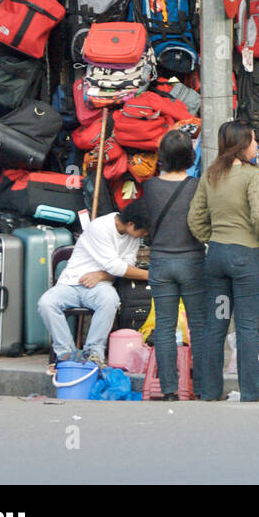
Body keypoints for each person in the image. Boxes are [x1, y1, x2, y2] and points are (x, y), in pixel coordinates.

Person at [187, 119, 259, 402]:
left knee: (217, 323)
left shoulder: (210, 175)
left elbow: (194, 219)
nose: (256, 145)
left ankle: (210, 391)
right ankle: (250, 391)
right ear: (241, 144)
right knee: (248, 326)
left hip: (217, 259)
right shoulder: (253, 176)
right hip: (246, 259)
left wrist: (212, 238)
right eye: (253, 140)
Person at [38, 202, 151, 366]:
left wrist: (100, 275)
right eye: (144, 230)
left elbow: (127, 265)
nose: (145, 234)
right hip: (72, 282)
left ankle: (93, 353)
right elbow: (117, 267)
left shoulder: (132, 236)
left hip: (100, 285)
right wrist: (149, 275)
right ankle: (67, 353)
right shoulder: (99, 227)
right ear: (131, 224)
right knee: (47, 303)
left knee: (109, 300)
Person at [140, 129, 207, 402]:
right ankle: (202, 388)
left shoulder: (150, 187)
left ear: (162, 157)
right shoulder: (197, 186)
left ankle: (169, 389)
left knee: (165, 327)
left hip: (160, 262)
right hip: (192, 260)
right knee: (199, 326)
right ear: (190, 156)